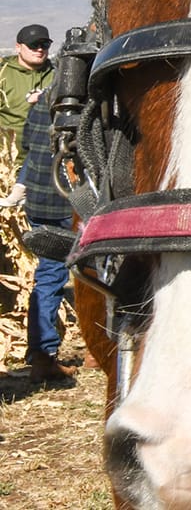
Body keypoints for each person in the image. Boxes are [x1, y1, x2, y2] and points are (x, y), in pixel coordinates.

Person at [5, 97, 76, 384]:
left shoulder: (41, 102)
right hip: (71, 203)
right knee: (98, 273)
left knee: (48, 276)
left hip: (39, 201)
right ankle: (101, 349)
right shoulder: (94, 101)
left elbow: (28, 150)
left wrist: (19, 190)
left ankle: (42, 357)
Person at [0, 24, 55, 189]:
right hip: (7, 167)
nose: (39, 49)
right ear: (18, 47)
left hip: (45, 167)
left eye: (44, 45)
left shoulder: (59, 76)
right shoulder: (3, 75)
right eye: (33, 45)